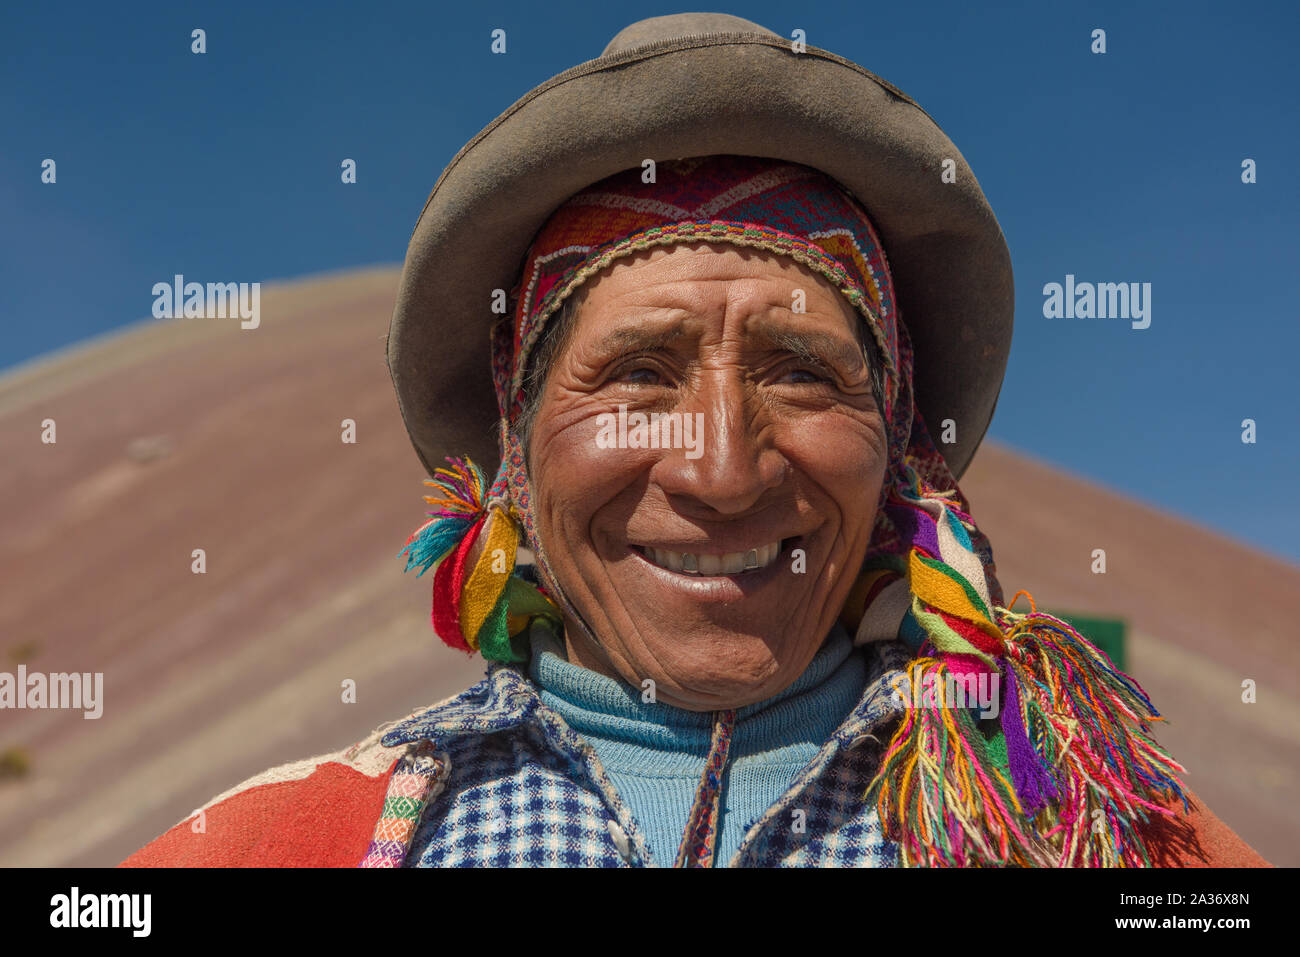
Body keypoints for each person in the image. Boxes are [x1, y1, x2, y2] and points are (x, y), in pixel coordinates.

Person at [122, 12, 1267, 868]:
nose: (722, 472)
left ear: (901, 445)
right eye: (634, 376)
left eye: (805, 374)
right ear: (518, 454)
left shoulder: (1095, 832)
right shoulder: (288, 844)